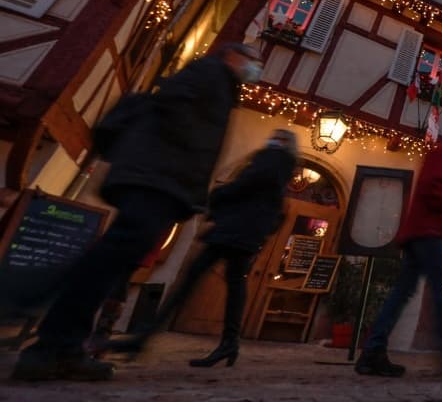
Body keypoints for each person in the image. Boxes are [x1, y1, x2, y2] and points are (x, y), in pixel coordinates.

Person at [12, 43, 263, 382]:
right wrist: (184, 184)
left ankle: (57, 343)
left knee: (111, 259)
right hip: (157, 181)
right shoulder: (210, 74)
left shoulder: (215, 82)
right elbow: (177, 123)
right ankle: (29, 311)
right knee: (107, 259)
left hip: (155, 179)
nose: (255, 68)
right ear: (233, 57)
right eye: (252, 60)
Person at [111, 130, 298, 365]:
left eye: (279, 138)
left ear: (284, 143)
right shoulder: (284, 167)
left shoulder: (272, 159)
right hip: (246, 232)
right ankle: (228, 343)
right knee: (232, 284)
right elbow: (273, 206)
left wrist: (218, 195)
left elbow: (246, 184)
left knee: (191, 280)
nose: (273, 139)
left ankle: (144, 337)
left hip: (234, 229)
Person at [356, 126, 442, 377]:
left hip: (420, 233)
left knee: (402, 293)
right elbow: (433, 189)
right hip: (429, 232)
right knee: (437, 290)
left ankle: (373, 350)